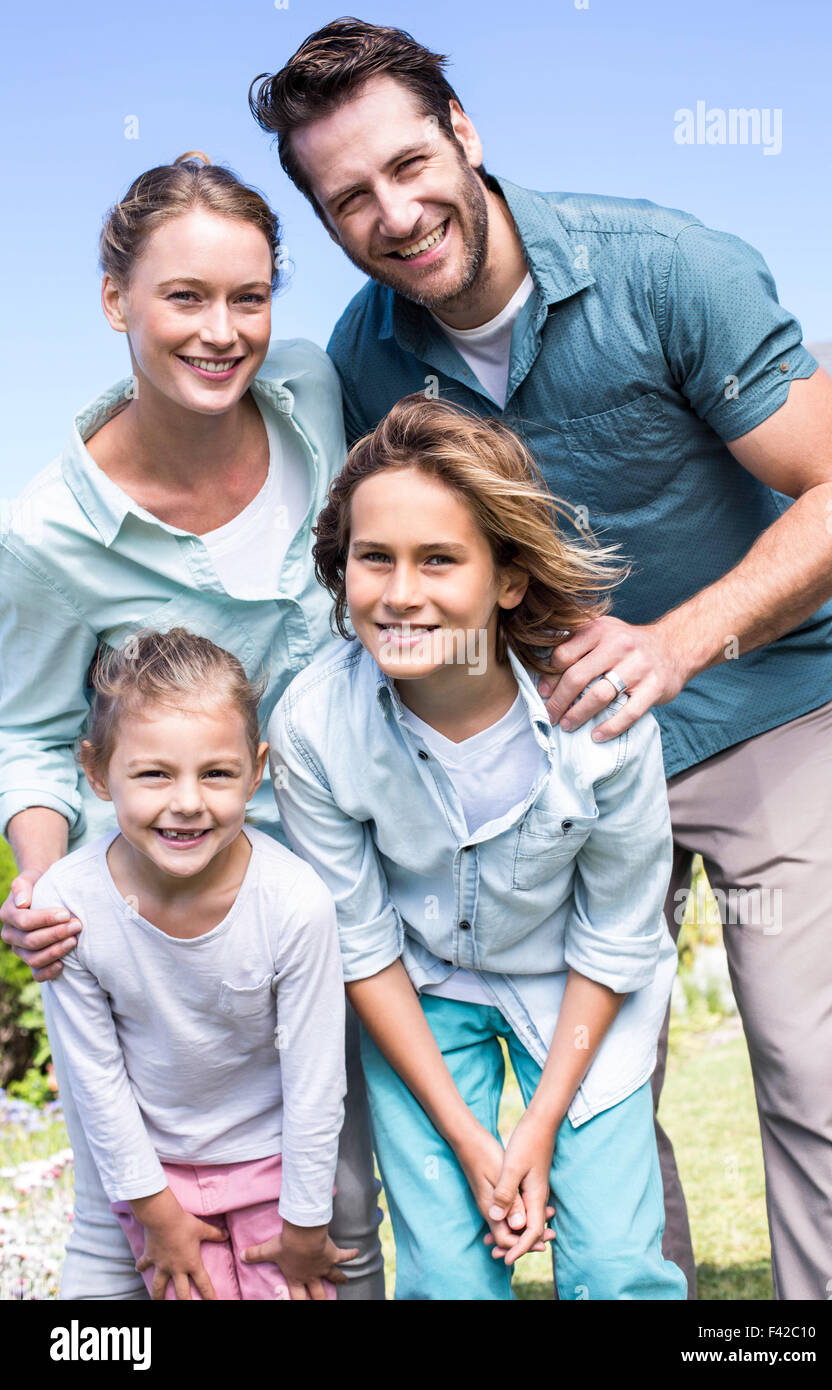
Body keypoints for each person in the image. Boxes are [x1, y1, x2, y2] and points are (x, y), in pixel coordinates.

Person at [249, 18, 832, 1299]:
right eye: (348, 197)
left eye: (410, 164)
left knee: (815, 1067)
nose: (396, 213)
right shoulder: (368, 355)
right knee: (600, 1087)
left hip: (761, 717)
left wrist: (679, 639)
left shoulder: (667, 270)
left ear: (463, 132)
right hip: (560, 768)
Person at [0, 153, 384, 1300]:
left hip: (344, 877)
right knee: (140, 1236)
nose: (223, 331)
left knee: (333, 1210)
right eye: (184, 297)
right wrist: (48, 888)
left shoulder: (316, 393)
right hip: (174, 900)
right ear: (114, 298)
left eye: (249, 296)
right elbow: (28, 731)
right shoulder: (46, 536)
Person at [267, 394, 687, 1300]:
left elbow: (619, 932)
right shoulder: (311, 726)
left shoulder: (602, 718)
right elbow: (364, 945)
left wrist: (535, 1129)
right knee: (450, 1279)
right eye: (374, 558)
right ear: (343, 568)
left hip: (577, 988)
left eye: (440, 560)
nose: (401, 592)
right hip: (420, 990)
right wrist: (469, 1134)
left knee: (616, 1271)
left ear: (506, 577)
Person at [34, 628, 353, 1301]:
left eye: (216, 773)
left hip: (273, 1167)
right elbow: (95, 1079)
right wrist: (155, 1211)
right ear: (96, 772)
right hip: (157, 1175)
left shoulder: (295, 903)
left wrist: (304, 1223)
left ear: (256, 770)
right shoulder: (71, 901)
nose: (186, 802)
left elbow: (316, 1080)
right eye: (153, 773)